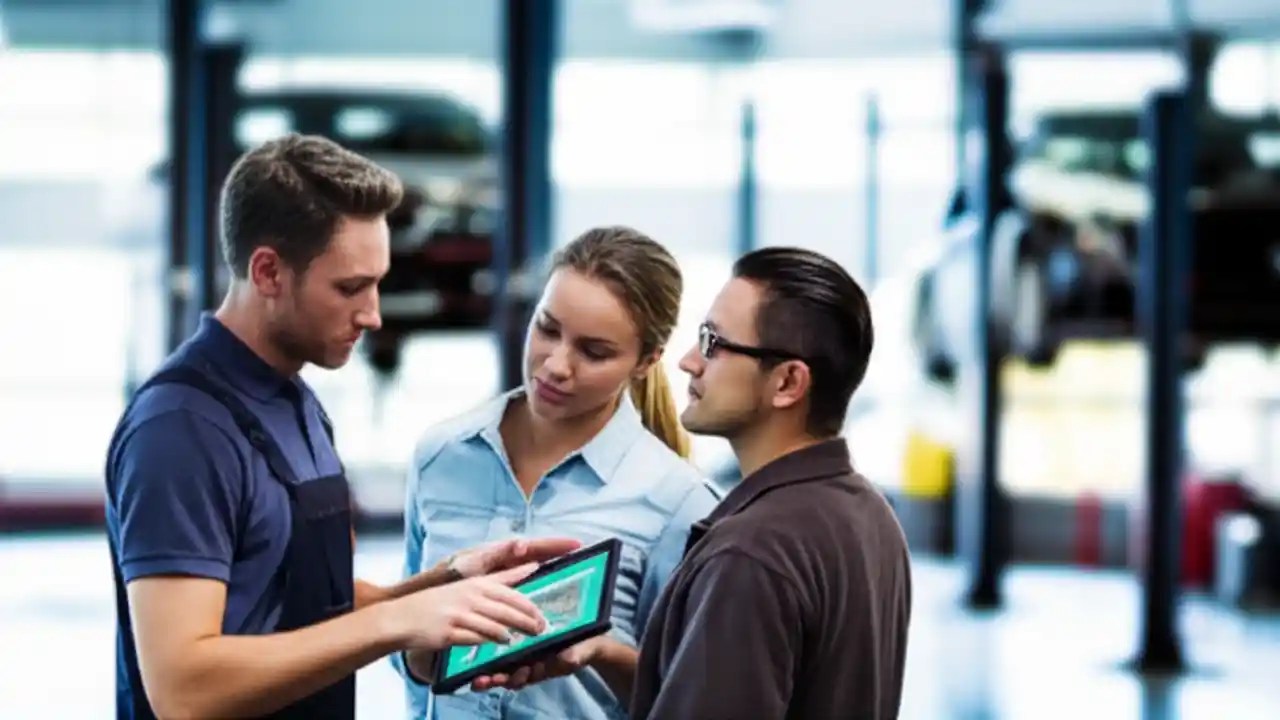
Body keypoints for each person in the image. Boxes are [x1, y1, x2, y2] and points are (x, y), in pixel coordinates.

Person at [103, 133, 579, 720]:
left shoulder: (298, 403)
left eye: (378, 283)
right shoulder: (180, 431)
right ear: (269, 271)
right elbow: (183, 688)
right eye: (350, 287)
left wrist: (438, 587)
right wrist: (393, 621)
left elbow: (298, 607)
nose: (373, 314)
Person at [474, 246, 913, 719]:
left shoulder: (751, 551)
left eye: (714, 344)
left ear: (787, 383)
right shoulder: (871, 515)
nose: (688, 362)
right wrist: (603, 651)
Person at [395, 226, 720, 719]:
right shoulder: (442, 454)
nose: (556, 365)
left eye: (593, 352)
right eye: (547, 328)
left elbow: (689, 699)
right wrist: (422, 652)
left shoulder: (680, 503)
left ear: (646, 361)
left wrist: (600, 652)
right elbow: (409, 659)